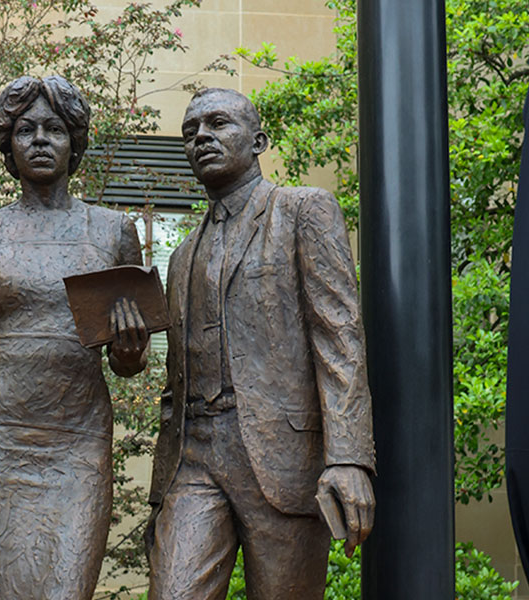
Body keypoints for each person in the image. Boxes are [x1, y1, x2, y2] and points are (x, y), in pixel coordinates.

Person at [0, 75, 150, 599]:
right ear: (8, 145)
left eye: (54, 129)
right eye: (26, 129)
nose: (39, 139)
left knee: (66, 587)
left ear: (74, 142)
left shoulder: (112, 230)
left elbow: (129, 359)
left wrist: (130, 350)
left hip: (75, 441)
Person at [145, 88, 376, 599]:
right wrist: (161, 492)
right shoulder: (182, 255)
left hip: (283, 458)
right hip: (195, 458)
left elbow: (339, 336)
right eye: (190, 131)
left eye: (218, 124)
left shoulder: (302, 210)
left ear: (258, 141)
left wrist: (349, 458)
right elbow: (175, 381)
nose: (201, 136)